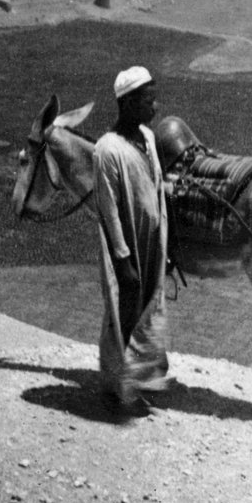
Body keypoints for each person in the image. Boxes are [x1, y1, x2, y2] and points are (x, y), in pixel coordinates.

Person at [92, 65, 170, 418]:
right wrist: (122, 258)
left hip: (151, 239)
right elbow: (108, 209)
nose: (154, 108)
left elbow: (155, 187)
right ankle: (118, 389)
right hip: (128, 245)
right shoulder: (107, 150)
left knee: (146, 308)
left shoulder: (149, 139)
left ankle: (134, 381)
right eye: (147, 101)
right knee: (124, 312)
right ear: (126, 104)